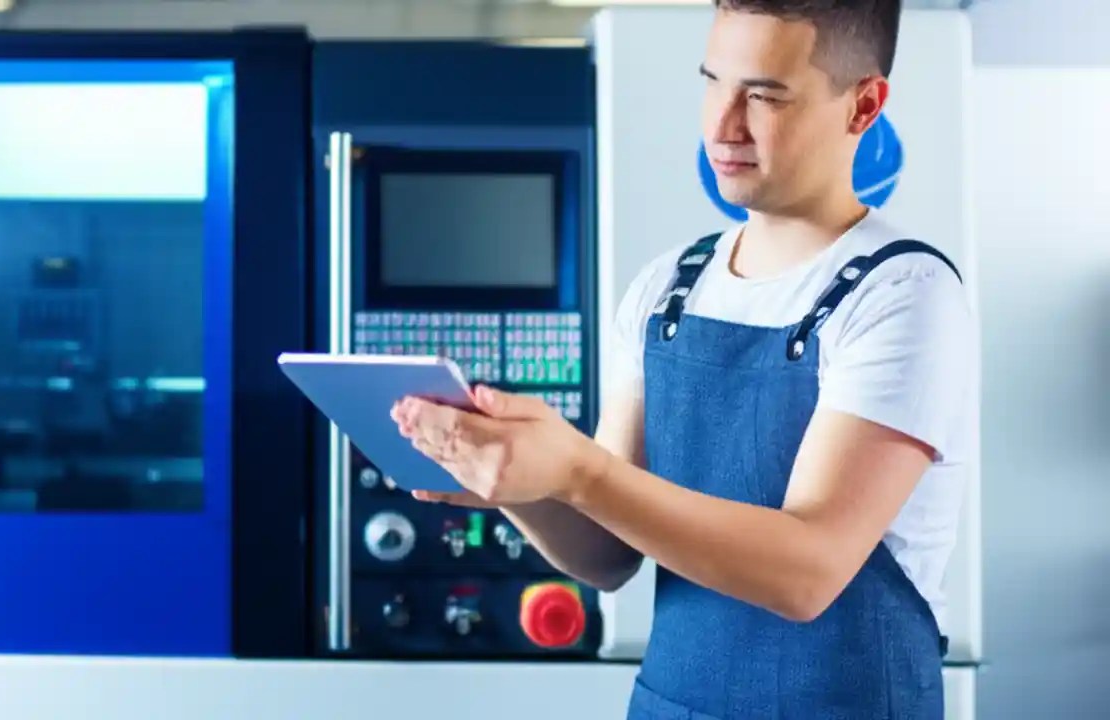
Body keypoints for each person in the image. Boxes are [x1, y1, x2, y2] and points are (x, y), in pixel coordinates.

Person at [391, 0, 977, 717]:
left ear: (863, 105)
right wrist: (512, 481)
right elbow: (607, 556)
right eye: (713, 83)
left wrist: (576, 467)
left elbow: (808, 571)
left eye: (763, 94)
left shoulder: (903, 293)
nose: (723, 127)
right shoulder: (668, 286)